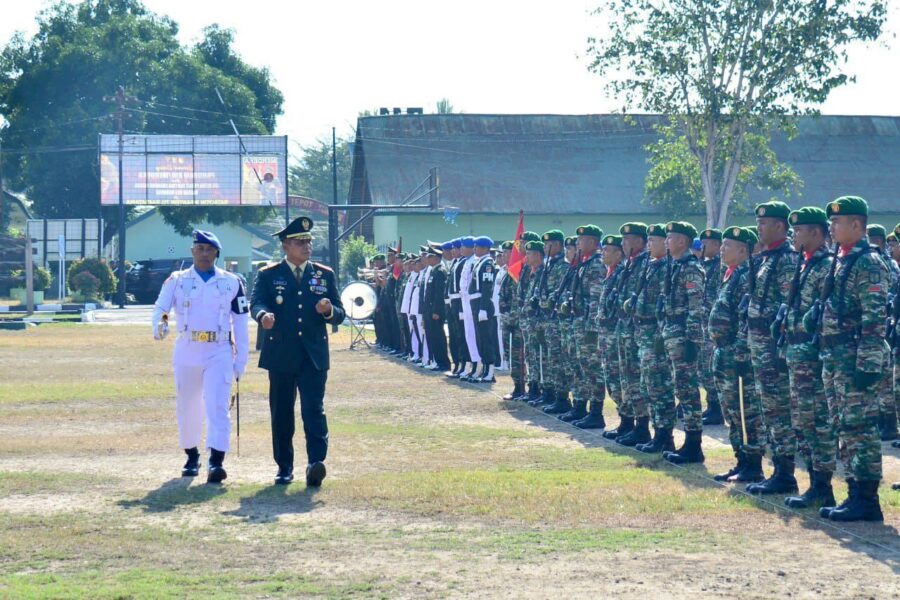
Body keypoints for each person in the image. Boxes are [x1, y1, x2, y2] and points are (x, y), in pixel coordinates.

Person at [250, 216, 345, 487]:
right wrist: (262, 316)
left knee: (314, 410)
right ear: (286, 246)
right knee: (281, 412)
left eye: (309, 241)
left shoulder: (324, 274)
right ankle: (284, 466)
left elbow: (340, 313)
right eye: (300, 242)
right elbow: (256, 302)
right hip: (281, 353)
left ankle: (316, 462)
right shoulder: (269, 275)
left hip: (313, 355)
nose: (307, 246)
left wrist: (329, 311)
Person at [152, 229, 250, 483]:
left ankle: (216, 461)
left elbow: (240, 321)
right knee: (188, 405)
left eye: (209, 250)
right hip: (188, 347)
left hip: (218, 349)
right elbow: (162, 307)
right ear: (192, 250)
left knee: (218, 404)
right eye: (200, 249)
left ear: (217, 253)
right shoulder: (177, 280)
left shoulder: (231, 282)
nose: (204, 254)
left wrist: (241, 360)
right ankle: (191, 454)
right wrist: (161, 324)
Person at [815, 196, 887, 521]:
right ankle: (853, 493)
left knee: (862, 428)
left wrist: (868, 365)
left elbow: (875, 319)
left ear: (856, 225)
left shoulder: (868, 262)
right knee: (844, 426)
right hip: (836, 357)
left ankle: (868, 500)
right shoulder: (842, 259)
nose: (831, 227)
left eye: (837, 222)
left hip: (856, 358)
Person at [780, 207, 837, 509]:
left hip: (813, 359)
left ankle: (824, 485)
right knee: (802, 421)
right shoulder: (804, 266)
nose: (794, 236)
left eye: (799, 231)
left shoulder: (827, 266)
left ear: (816, 233)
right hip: (796, 355)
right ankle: (814, 483)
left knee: (818, 422)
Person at [745, 201, 801, 495]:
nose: (759, 227)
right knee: (769, 409)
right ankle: (778, 469)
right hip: (760, 347)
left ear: (780, 226)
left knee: (779, 409)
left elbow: (786, 306)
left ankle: (785, 473)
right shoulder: (767, 258)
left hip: (774, 349)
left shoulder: (787, 260)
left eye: (764, 223)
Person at [707, 227, 765, 481]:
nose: (722, 249)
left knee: (746, 409)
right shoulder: (730, 274)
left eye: (727, 245)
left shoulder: (747, 276)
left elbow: (747, 320)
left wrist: (742, 353)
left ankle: (753, 464)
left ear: (743, 250)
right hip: (724, 352)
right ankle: (741, 461)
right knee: (731, 409)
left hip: (738, 354)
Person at [660, 221, 707, 464]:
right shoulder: (675, 266)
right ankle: (688, 442)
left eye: (671, 238)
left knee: (688, 390)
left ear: (682, 241)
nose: (666, 241)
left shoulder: (690, 268)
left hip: (683, 335)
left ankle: (694, 444)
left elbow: (696, 307)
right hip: (672, 332)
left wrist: (692, 339)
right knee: (681, 388)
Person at [633, 224, 677, 453]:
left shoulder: (668, 267)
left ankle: (665, 435)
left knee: (660, 386)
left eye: (656, 240)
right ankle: (656, 431)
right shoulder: (650, 266)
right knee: (648, 385)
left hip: (657, 334)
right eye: (648, 241)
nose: (650, 245)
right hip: (645, 333)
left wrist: (661, 335)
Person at [568, 225, 607, 428]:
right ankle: (580, 405)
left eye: (581, 240)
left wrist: (592, 328)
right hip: (578, 321)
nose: (577, 244)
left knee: (593, 368)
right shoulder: (583, 263)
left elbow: (595, 297)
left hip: (588, 324)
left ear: (592, 242)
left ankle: (596, 411)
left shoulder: (597, 264)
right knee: (579, 365)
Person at [699, 228, 724, 426]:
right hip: (702, 322)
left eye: (708, 243)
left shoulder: (720, 266)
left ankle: (716, 408)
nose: (704, 247)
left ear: (718, 245)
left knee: (709, 367)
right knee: (703, 368)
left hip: (711, 321)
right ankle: (711, 405)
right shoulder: (703, 265)